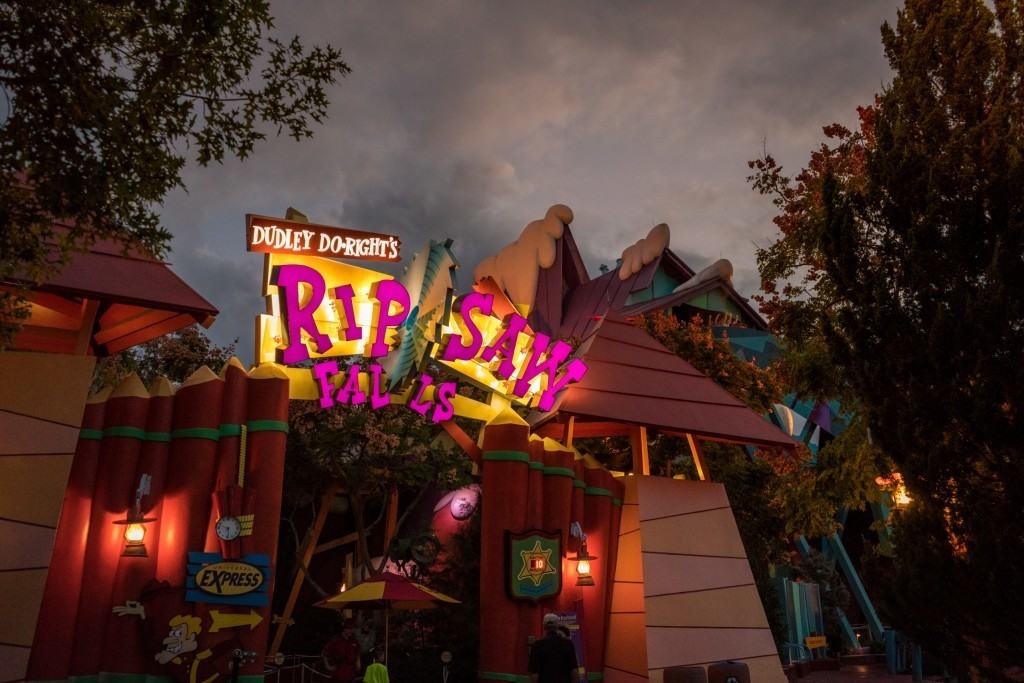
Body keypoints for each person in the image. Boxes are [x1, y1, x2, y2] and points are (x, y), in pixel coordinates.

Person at [528, 613, 578, 683]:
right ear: (557, 626)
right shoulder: (568, 643)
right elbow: (574, 670)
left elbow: (535, 674)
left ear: (544, 626)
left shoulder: (537, 645)